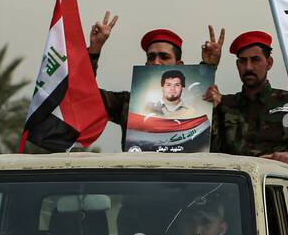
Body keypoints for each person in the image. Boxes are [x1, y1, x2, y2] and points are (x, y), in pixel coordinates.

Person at [80, 17, 224, 149]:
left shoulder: (200, 104)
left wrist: (208, 70)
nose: (156, 62)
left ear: (179, 64)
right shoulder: (128, 103)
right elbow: (85, 93)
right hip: (140, 175)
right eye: (151, 57)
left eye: (164, 57)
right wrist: (94, 50)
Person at [210, 30, 288, 172]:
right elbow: (204, 149)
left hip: (276, 187)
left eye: (255, 60)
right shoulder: (224, 105)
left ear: (269, 63)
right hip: (236, 188)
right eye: (243, 61)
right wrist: (208, 67)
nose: (249, 67)